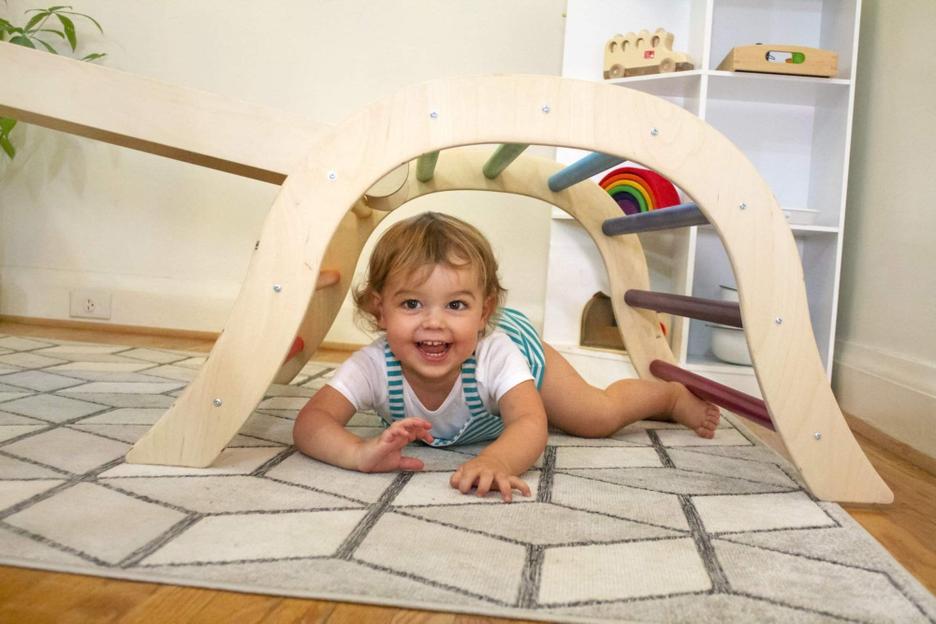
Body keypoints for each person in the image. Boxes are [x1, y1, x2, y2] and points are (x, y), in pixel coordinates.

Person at [293, 212, 720, 502]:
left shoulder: (495, 353)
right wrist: (356, 453)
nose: (434, 323)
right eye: (411, 305)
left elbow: (529, 423)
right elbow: (312, 423)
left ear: (485, 311)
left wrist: (497, 459)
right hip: (484, 376)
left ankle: (666, 398)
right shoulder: (373, 365)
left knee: (594, 417)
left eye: (456, 306)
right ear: (378, 309)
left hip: (523, 356)